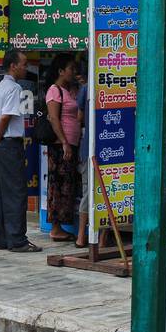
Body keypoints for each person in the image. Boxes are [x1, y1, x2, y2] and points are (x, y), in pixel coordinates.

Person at [0, 49, 40, 252]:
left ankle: (2, 238)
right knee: (16, 192)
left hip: (0, 145)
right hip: (8, 144)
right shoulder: (14, 88)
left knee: (2, 192)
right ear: (13, 66)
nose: (26, 67)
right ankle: (17, 240)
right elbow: (5, 118)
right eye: (24, 64)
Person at [45, 55, 82, 242]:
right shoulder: (54, 91)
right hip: (61, 146)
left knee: (68, 184)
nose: (73, 72)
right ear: (61, 71)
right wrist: (64, 142)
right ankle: (56, 227)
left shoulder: (72, 90)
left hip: (72, 144)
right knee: (58, 185)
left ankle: (61, 225)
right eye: (71, 69)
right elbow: (54, 119)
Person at [75, 75, 91, 248]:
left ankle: (81, 236)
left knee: (87, 190)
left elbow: (79, 117)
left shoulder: (85, 89)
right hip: (114, 145)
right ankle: (101, 239)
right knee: (108, 191)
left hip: (89, 146)